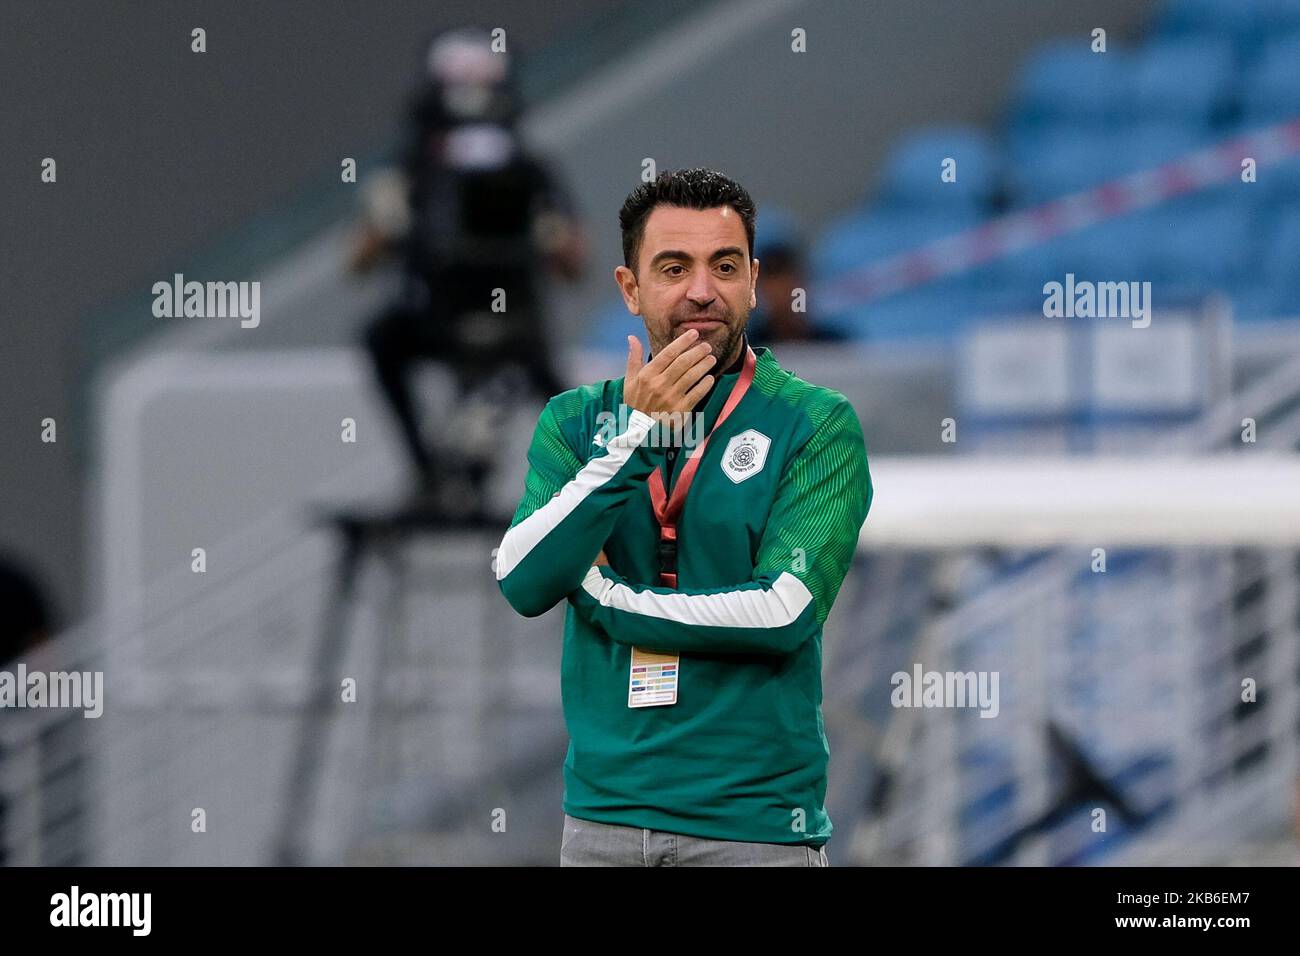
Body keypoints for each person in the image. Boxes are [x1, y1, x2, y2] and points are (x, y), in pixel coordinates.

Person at [493, 168, 873, 865]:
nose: (702, 290)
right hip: (600, 827)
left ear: (753, 281)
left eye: (724, 266)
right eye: (674, 267)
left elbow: (783, 612)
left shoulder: (817, 426)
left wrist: (607, 596)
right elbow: (522, 580)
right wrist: (637, 437)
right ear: (629, 288)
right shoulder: (576, 423)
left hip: (752, 830)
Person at [355, 27, 585, 517]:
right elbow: (359, 260)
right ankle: (429, 470)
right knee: (380, 339)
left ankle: (599, 496)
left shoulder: (529, 172)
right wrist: (387, 221)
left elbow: (574, 265)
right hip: (438, 315)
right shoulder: (413, 171)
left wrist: (547, 231)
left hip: (516, 327)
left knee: (556, 405)